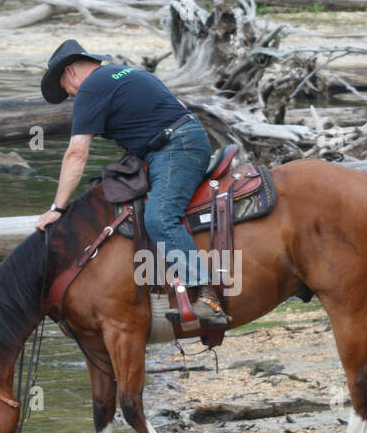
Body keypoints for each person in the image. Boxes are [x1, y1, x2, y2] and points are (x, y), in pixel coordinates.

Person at [35, 39, 229, 328]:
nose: (71, 97)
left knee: (160, 217)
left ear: (70, 73)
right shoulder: (127, 73)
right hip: (182, 138)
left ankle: (207, 296)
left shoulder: (90, 88)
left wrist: (58, 208)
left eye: (66, 90)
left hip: (176, 148)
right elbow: (179, 105)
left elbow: (76, 153)